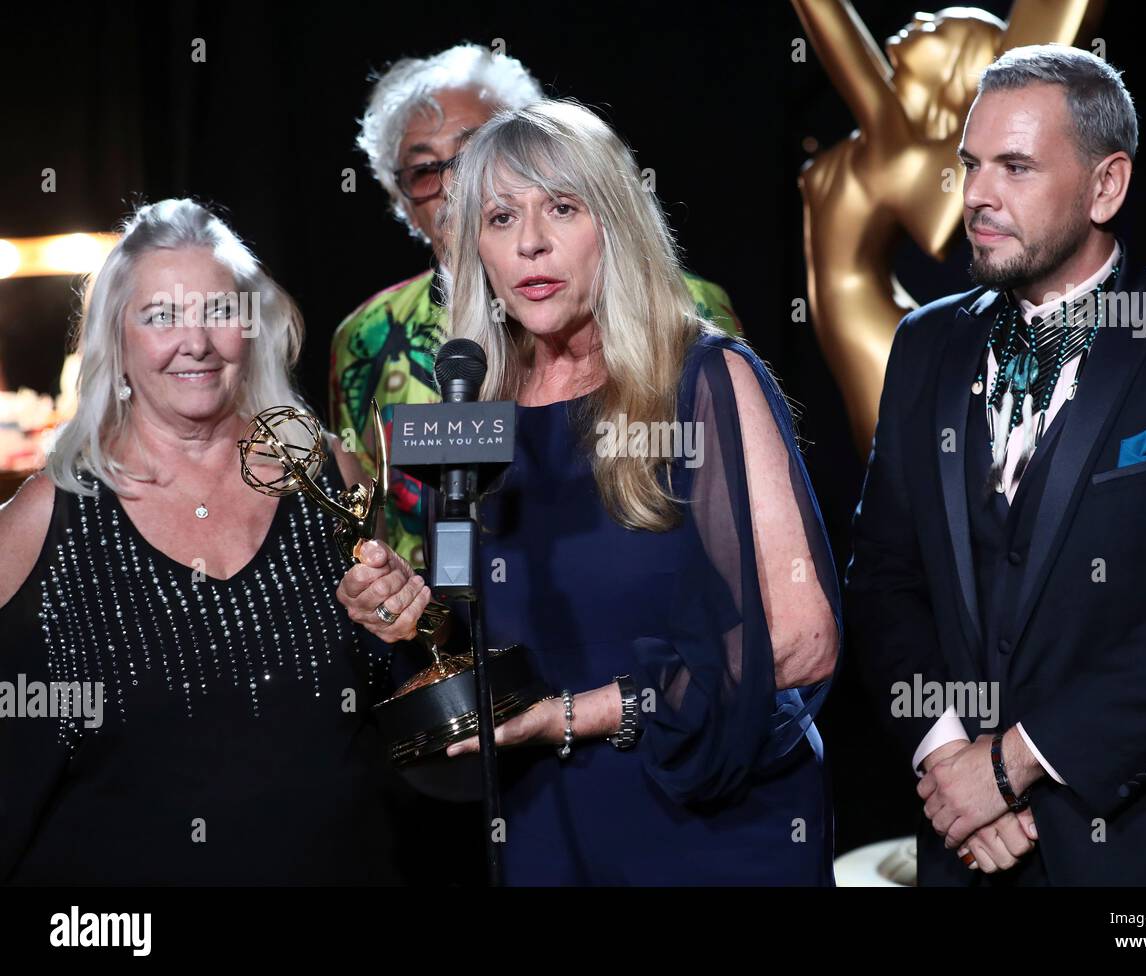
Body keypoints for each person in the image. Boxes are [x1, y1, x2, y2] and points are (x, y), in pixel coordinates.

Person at [336, 99, 841, 885]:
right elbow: (473, 640)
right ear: (476, 248)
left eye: (561, 209)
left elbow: (804, 640)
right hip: (543, 826)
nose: (530, 241)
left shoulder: (706, 380)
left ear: (614, 224)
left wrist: (576, 714)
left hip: (713, 820)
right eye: (501, 218)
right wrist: (407, 612)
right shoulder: (468, 411)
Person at [845, 45, 1146, 884]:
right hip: (970, 853)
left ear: (1107, 186)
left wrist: (1010, 764)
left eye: (1015, 167)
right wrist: (951, 760)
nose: (977, 196)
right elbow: (882, 579)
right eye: (970, 165)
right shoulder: (925, 344)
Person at [0, 199, 410, 883]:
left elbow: (396, 687)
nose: (195, 342)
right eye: (161, 316)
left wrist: (399, 614)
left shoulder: (327, 475)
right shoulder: (48, 514)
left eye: (219, 312)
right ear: (117, 341)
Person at [331, 43, 743, 569]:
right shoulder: (365, 335)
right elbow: (366, 515)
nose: (452, 183)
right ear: (399, 200)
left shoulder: (689, 307)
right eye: (423, 172)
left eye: (472, 152)